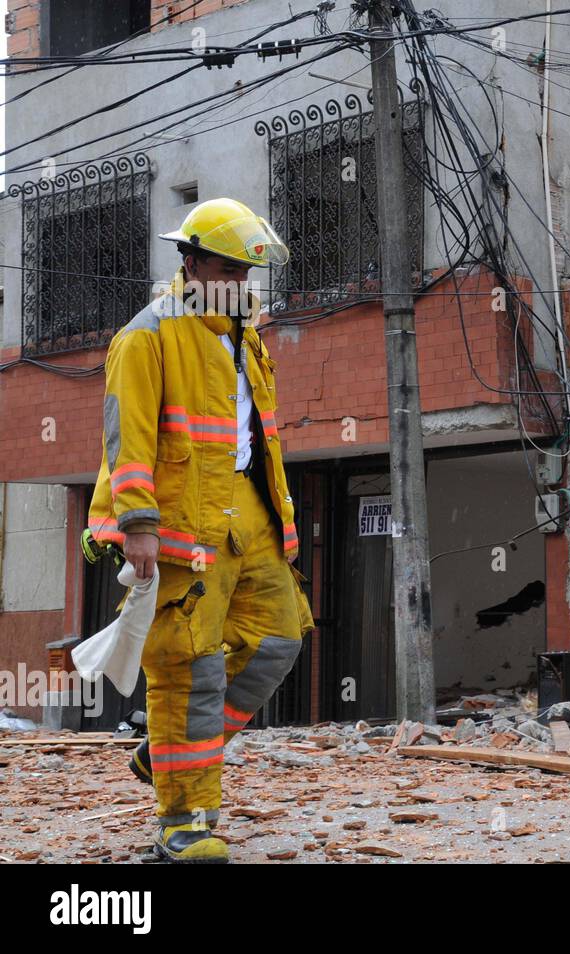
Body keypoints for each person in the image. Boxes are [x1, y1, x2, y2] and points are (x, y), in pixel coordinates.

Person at [87, 198, 314, 863]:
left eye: (247, 273)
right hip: (181, 522)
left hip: (249, 513)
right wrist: (137, 523)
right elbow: (124, 435)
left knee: (277, 640)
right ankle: (184, 824)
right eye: (228, 269)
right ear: (189, 263)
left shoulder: (244, 334)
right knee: (191, 670)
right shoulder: (149, 334)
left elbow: (255, 436)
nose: (241, 284)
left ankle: (166, 754)